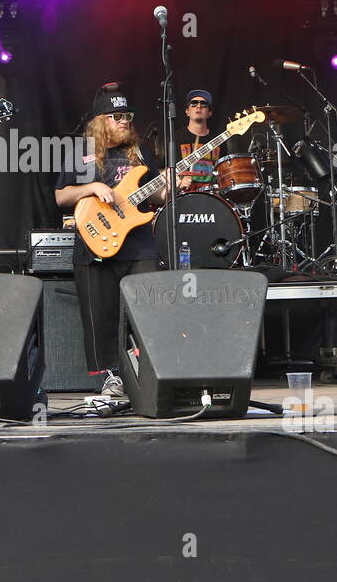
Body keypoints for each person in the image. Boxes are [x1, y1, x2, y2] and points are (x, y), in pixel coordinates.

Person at [55, 91, 167, 394]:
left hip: (138, 243)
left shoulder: (140, 152)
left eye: (127, 116)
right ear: (100, 122)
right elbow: (61, 196)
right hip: (96, 242)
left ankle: (149, 373)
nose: (123, 122)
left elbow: (155, 196)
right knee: (99, 316)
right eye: (116, 117)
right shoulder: (82, 152)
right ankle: (111, 378)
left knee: (149, 307)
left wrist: (169, 186)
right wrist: (92, 186)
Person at [174, 89, 222, 192]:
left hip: (212, 198)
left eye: (204, 104)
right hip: (183, 198)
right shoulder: (175, 138)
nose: (198, 106)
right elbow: (164, 170)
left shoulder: (218, 140)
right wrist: (178, 182)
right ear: (187, 111)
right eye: (193, 103)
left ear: (209, 113)